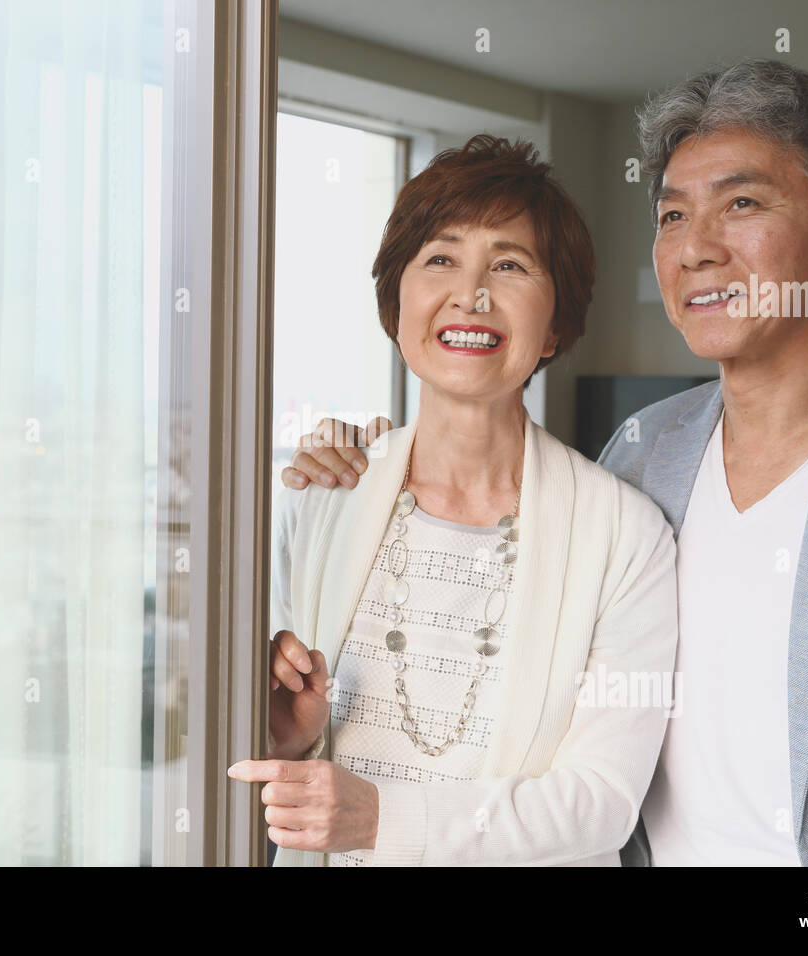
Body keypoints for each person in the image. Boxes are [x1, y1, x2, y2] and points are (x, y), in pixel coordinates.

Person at [283, 60, 808, 866]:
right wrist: (359, 458)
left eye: (742, 203)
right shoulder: (645, 453)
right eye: (673, 215)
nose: (697, 249)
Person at [227, 134, 679, 866]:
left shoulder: (625, 536)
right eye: (440, 258)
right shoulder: (324, 498)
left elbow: (602, 803)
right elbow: (272, 753)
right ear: (396, 299)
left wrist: (382, 820)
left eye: (509, 264)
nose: (471, 293)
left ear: (557, 322)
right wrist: (283, 736)